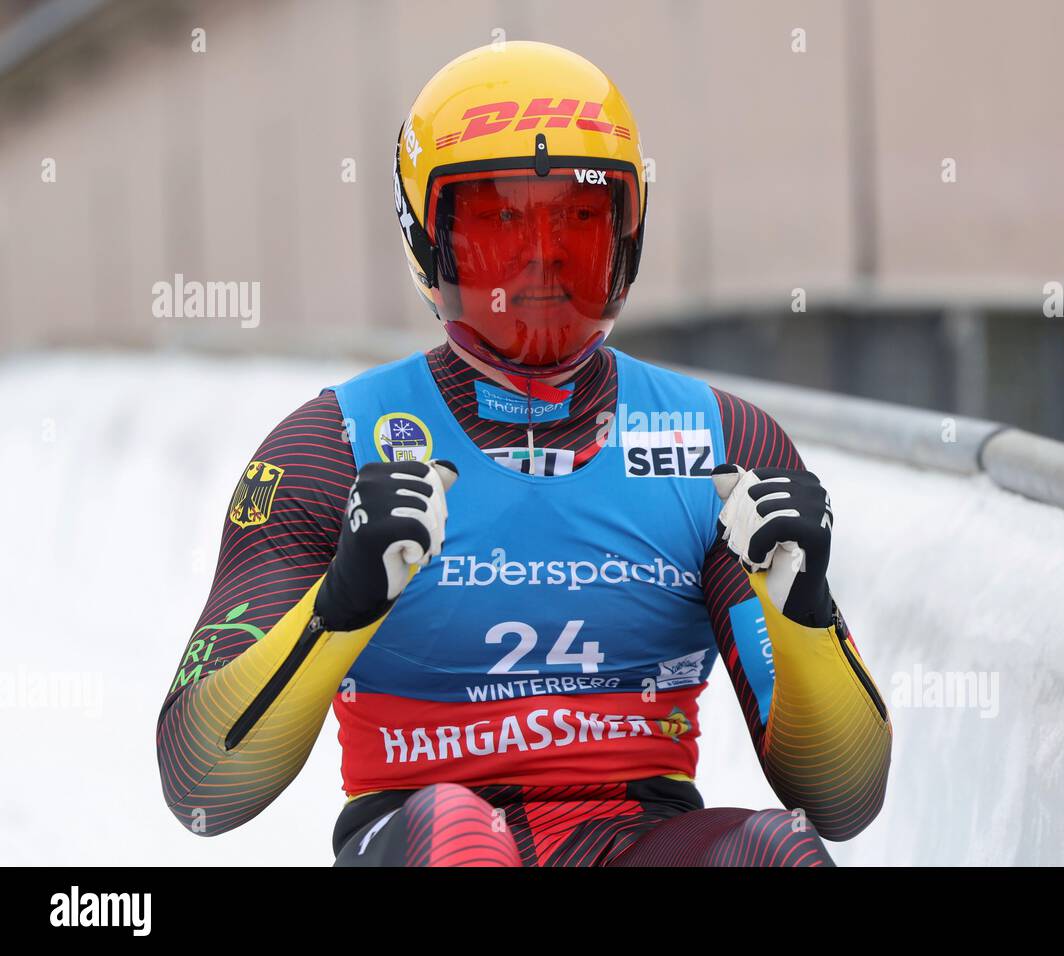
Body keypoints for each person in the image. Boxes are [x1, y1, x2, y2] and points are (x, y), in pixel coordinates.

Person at [155, 40, 892, 867]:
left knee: (774, 853)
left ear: (628, 234)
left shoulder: (728, 446)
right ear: (428, 240)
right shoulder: (328, 451)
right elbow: (201, 789)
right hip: (425, 835)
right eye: (500, 222)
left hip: (641, 833)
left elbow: (840, 800)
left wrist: (806, 620)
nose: (541, 263)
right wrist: (339, 607)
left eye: (577, 221)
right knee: (461, 839)